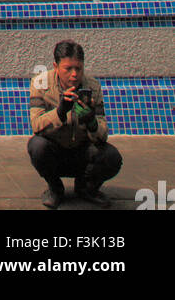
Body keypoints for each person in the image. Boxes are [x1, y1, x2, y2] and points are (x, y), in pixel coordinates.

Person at [27, 39, 122, 208]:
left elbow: (103, 134)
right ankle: (55, 188)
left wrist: (92, 122)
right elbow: (36, 125)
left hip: (82, 152)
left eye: (78, 68)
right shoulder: (40, 84)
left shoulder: (93, 86)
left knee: (112, 157)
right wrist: (59, 113)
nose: (74, 74)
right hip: (55, 152)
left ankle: (87, 188)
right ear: (56, 67)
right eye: (68, 69)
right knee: (37, 146)